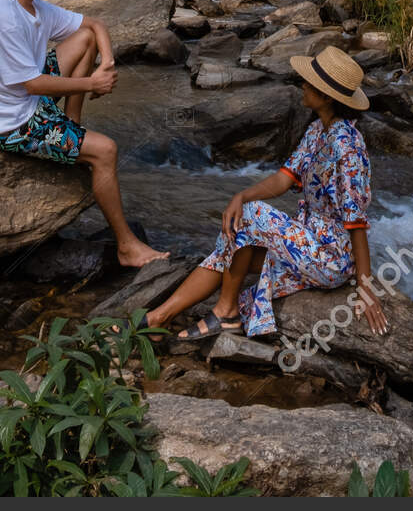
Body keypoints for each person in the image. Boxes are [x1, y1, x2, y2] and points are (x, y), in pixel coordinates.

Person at [145, 46, 388, 340]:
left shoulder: (347, 146)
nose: (303, 85)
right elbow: (283, 180)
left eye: (310, 82)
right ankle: (159, 317)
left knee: (250, 215)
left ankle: (226, 313)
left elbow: (356, 220)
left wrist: (365, 288)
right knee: (231, 247)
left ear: (326, 97)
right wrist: (241, 195)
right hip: (308, 240)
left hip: (331, 258)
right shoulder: (317, 131)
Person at [0, 0, 166, 270]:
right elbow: (32, 84)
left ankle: (71, 126)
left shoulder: (36, 8)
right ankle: (127, 247)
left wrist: (106, 64)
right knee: (106, 151)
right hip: (11, 123)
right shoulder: (3, 18)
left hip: (29, 103)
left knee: (84, 38)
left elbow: (95, 25)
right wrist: (92, 84)